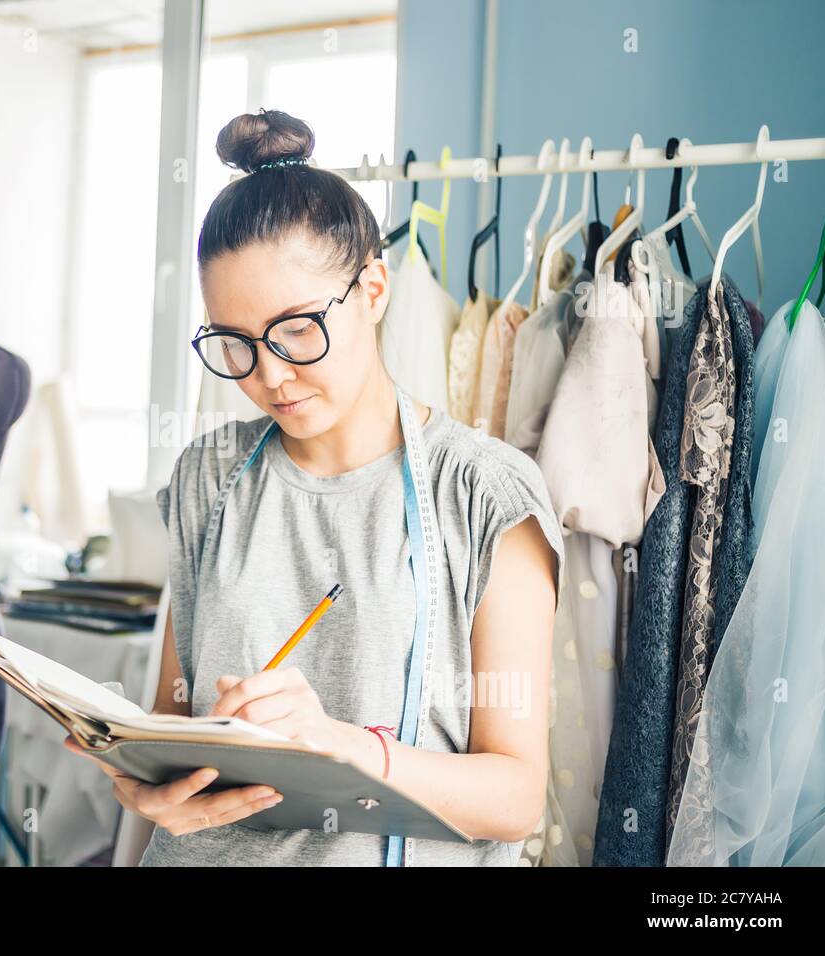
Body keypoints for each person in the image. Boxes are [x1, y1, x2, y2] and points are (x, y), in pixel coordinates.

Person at [65, 109, 564, 866]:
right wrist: (148, 783)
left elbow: (516, 797)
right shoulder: (209, 475)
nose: (268, 375)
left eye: (297, 329)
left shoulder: (484, 496)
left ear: (373, 288)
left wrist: (339, 745)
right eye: (233, 343)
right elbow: (175, 713)